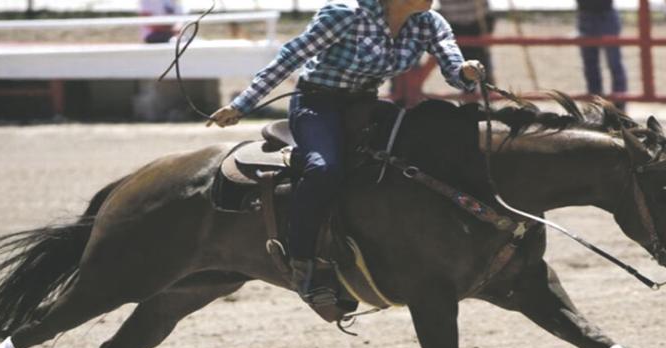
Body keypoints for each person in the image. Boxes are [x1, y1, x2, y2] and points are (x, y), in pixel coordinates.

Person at [207, 0, 483, 314]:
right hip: (317, 105)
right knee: (324, 169)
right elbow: (290, 57)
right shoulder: (345, 15)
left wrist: (467, 71)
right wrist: (242, 105)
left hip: (365, 106)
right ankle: (301, 259)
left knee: (419, 154)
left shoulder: (430, 23)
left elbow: (454, 69)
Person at [576, 0, 626, 105]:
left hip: (603, 13)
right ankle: (596, 103)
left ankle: (619, 104)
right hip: (588, 13)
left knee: (614, 62)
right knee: (591, 64)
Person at [437, 0, 493, 80]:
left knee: (481, 59)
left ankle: (485, 85)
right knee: (464, 62)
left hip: (477, 19)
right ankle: (472, 88)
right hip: (455, 21)